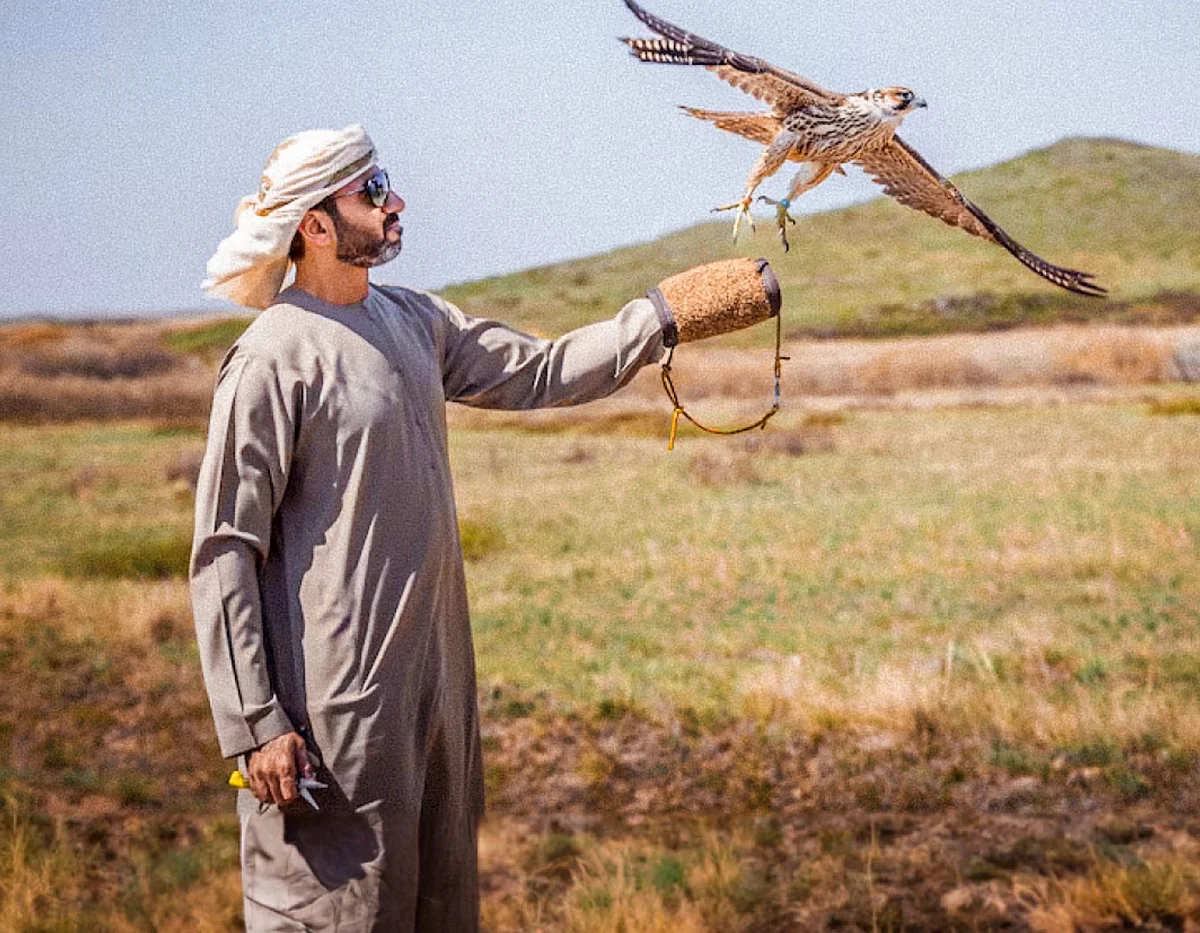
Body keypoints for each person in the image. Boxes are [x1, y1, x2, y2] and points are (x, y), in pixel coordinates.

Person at [190, 124, 780, 932]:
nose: (395, 203)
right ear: (315, 226)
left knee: (437, 903)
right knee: (336, 914)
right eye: (372, 192)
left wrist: (661, 317)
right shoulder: (271, 360)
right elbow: (225, 548)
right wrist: (256, 723)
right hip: (330, 712)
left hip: (435, 694)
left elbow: (538, 369)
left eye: (385, 183)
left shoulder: (415, 322)